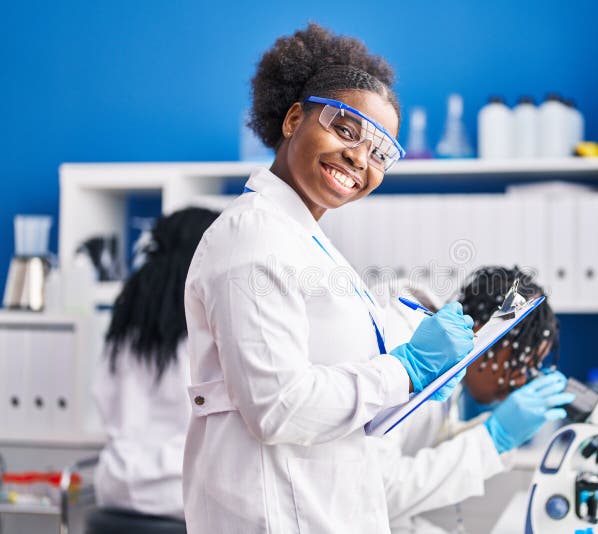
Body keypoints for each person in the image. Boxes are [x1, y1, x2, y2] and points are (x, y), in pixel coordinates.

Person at [181, 24, 475, 534]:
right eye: (345, 129)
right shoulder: (254, 238)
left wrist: (408, 336)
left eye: (380, 152)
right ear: (295, 118)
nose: (360, 158)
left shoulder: (307, 241)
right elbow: (278, 407)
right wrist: (405, 369)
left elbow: (339, 378)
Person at [378, 266, 569, 533]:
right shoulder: (405, 345)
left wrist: (494, 435)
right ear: (485, 330)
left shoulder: (449, 360)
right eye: (521, 362)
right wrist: (492, 438)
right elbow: (376, 494)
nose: (520, 380)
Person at [93, 207, 219, 520]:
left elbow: (103, 400)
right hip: (178, 488)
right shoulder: (204, 333)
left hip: (115, 483)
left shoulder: (125, 329)